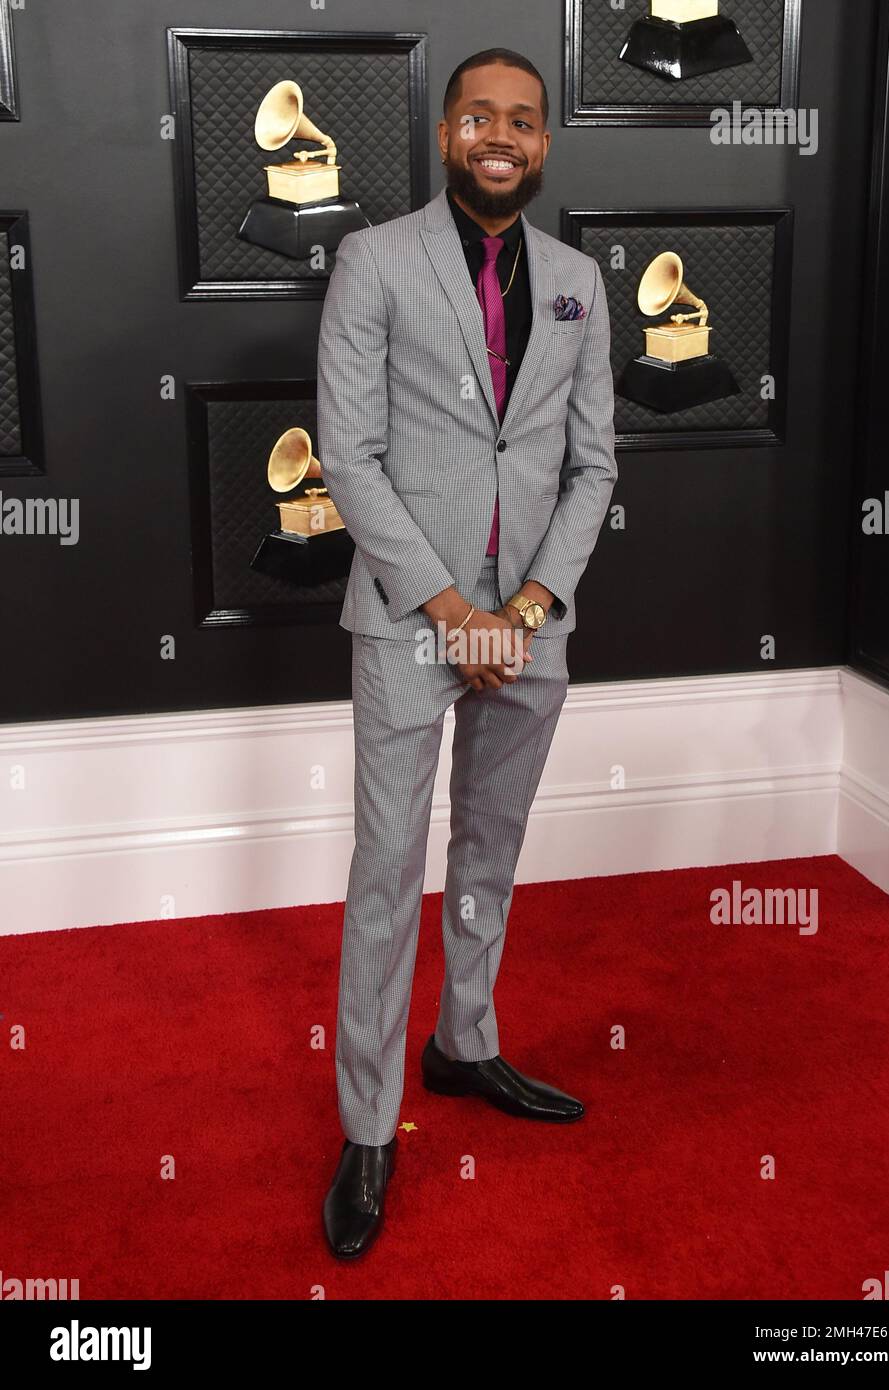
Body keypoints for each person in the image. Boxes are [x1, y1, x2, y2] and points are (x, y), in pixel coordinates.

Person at [316, 47, 617, 1259]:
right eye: (481, 117)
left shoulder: (582, 284)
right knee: (388, 868)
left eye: (525, 122)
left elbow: (592, 463)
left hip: (530, 621)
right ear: (448, 133)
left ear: (542, 143)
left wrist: (531, 602)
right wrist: (452, 608)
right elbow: (347, 455)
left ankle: (465, 1044)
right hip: (407, 618)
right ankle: (367, 1123)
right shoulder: (373, 260)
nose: (503, 136)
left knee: (491, 845)